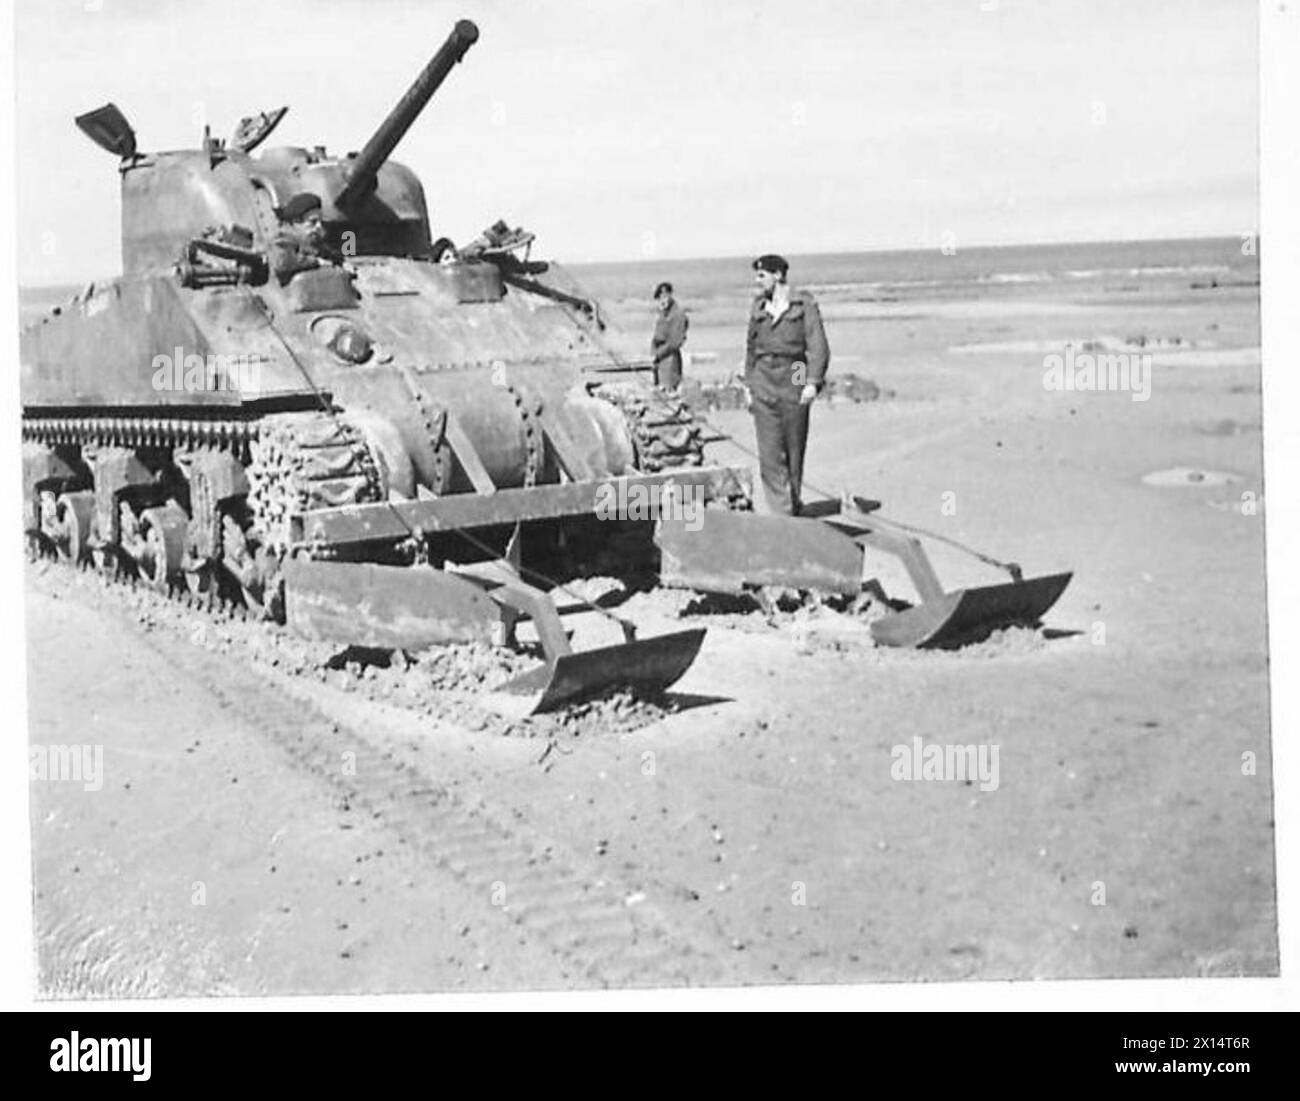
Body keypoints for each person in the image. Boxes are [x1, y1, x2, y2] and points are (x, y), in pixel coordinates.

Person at [744, 253, 830, 516]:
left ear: (778, 275)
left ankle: (792, 503)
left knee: (794, 450)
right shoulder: (758, 307)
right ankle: (781, 513)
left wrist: (811, 383)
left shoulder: (803, 305)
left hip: (794, 370)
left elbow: (817, 346)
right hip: (764, 380)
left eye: (761, 276)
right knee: (769, 456)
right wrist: (749, 386)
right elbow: (751, 348)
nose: (757, 282)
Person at [268, 192, 332, 285]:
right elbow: (283, 262)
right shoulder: (283, 239)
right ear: (296, 222)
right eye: (313, 222)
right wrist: (316, 262)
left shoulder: (311, 242)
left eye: (320, 222)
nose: (319, 226)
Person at [650, 281, 688, 392]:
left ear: (670, 295)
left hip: (670, 361)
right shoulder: (663, 314)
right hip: (659, 361)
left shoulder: (678, 314)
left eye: (665, 296)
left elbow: (675, 342)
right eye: (660, 298)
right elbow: (657, 336)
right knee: (660, 392)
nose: (663, 300)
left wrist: (658, 354)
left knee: (670, 391)